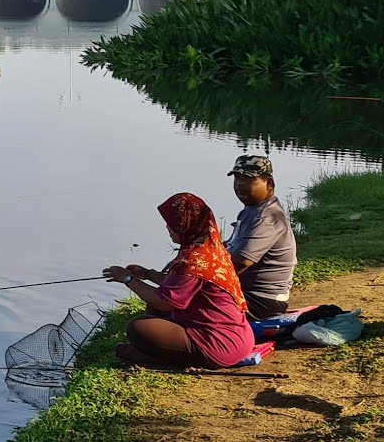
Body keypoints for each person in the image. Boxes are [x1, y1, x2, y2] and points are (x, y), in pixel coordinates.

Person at [104, 193, 260, 369]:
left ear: (184, 224)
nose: (167, 227)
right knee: (152, 313)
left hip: (219, 345)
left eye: (171, 223)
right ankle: (161, 352)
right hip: (239, 337)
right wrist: (148, 274)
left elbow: (165, 302)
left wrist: (127, 279)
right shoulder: (210, 248)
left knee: (137, 327)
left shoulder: (194, 260)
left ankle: (164, 358)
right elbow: (180, 285)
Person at [225, 154, 296, 320]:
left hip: (262, 300)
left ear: (268, 183)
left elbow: (240, 262)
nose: (240, 183)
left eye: (249, 179)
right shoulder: (253, 210)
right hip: (250, 293)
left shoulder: (266, 217)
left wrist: (203, 276)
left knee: (184, 302)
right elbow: (232, 246)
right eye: (237, 178)